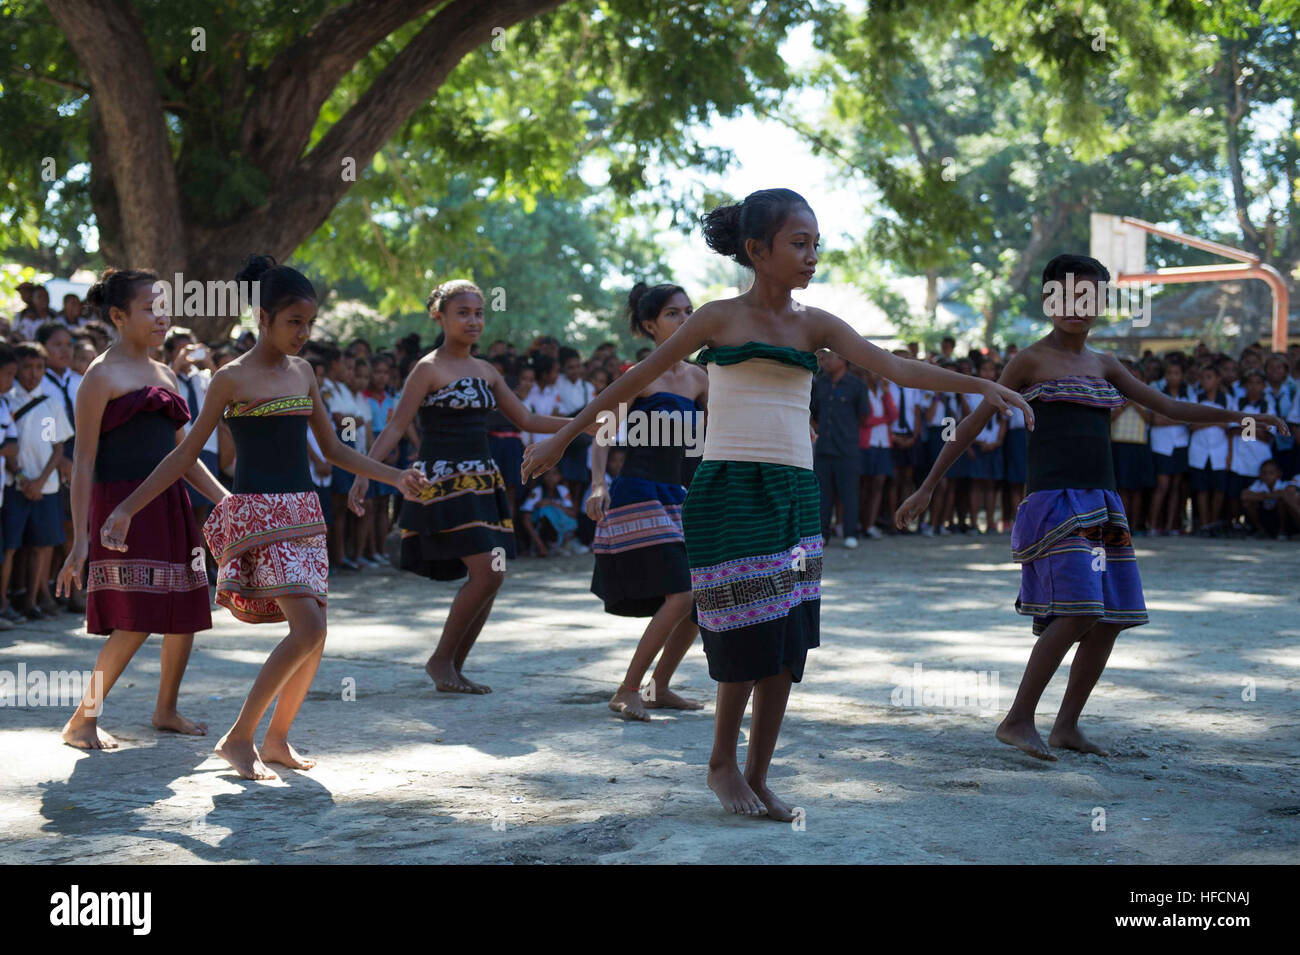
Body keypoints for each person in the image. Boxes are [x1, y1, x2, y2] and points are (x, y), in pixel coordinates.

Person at [522, 188, 1032, 818]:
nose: (811, 255)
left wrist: (982, 381)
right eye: (798, 243)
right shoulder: (715, 318)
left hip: (793, 492)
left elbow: (895, 368)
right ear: (756, 250)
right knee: (742, 630)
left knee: (788, 640)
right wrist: (564, 435)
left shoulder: (815, 324)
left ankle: (759, 773)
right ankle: (720, 765)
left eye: (815, 243)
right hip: (728, 490)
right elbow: (627, 384)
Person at [897, 253, 1288, 761]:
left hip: (1103, 502)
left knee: (1109, 617)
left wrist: (1242, 417)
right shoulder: (1029, 361)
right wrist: (928, 486)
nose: (1078, 305)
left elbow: (1170, 407)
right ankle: (1017, 719)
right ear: (1048, 301)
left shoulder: (1106, 364)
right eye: (1067, 295)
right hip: (1053, 500)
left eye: (1090, 296)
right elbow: (972, 425)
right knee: (1079, 609)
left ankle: (1067, 726)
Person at [99, 254, 425, 780]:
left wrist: (394, 477)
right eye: (294, 322)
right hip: (257, 515)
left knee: (316, 633)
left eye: (310, 323)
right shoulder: (229, 379)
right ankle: (239, 737)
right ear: (263, 319)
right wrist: (127, 507)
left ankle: (276, 739)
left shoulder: (304, 372)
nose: (303, 333)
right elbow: (184, 455)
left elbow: (334, 452)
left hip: (305, 513)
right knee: (309, 627)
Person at [348, 279, 591, 694]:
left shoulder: (487, 371)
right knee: (485, 572)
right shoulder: (427, 369)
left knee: (493, 574)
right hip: (442, 482)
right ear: (439, 316)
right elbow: (396, 426)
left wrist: (587, 423)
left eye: (478, 313)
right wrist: (364, 473)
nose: (473, 320)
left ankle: (452, 667)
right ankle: (441, 661)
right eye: (463, 313)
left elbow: (528, 421)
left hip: (482, 481)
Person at [56, 268, 223, 750]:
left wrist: (225, 501)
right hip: (119, 509)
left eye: (164, 307)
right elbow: (84, 461)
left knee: (189, 605)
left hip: (169, 503)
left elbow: (183, 457)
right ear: (117, 316)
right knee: (136, 619)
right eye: (150, 308)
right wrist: (82, 537)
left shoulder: (167, 374)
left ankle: (165, 709)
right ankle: (80, 721)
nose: (161, 317)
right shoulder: (100, 377)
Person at [587, 281, 708, 720]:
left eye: (689, 311)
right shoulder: (639, 375)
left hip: (678, 495)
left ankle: (659, 687)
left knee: (698, 599)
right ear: (649, 325)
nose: (685, 319)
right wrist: (598, 482)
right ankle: (627, 689)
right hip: (636, 491)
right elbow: (603, 430)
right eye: (673, 313)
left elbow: (718, 437)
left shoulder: (699, 378)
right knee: (681, 594)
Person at [3, 342, 72, 619]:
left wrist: (40, 481)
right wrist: (23, 478)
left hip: (47, 487)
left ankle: (33, 601)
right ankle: (6, 602)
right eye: (28, 367)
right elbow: (6, 445)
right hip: (15, 485)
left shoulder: (51, 404)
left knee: (43, 546)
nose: (33, 373)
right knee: (11, 547)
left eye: (39, 367)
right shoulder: (8, 400)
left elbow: (58, 448)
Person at [810, 351, 870, 547]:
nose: (826, 361)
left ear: (843, 360)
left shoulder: (857, 385)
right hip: (824, 448)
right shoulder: (820, 383)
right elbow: (814, 414)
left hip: (847, 448)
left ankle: (850, 533)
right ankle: (823, 534)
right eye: (825, 358)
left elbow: (863, 416)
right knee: (823, 494)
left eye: (830, 357)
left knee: (849, 493)